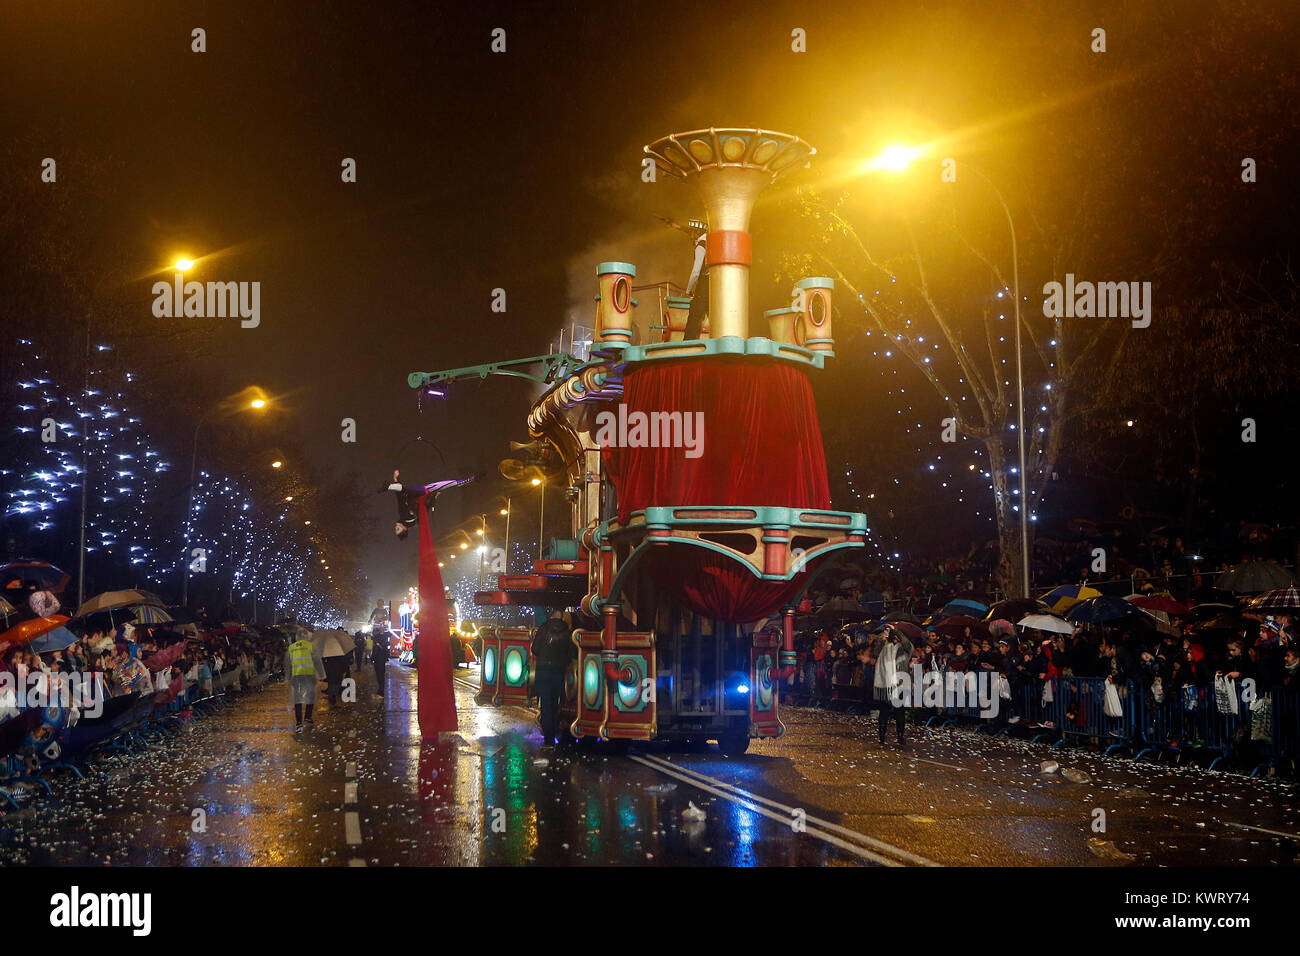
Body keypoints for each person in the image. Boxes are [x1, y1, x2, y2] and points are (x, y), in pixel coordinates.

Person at [531, 609, 572, 748]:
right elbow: (570, 653)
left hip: (543, 672)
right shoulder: (567, 632)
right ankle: (554, 733)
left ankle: (548, 739)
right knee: (554, 704)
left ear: (551, 616)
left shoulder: (544, 629)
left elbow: (535, 649)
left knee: (546, 705)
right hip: (558, 672)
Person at [872, 626, 914, 748]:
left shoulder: (905, 649)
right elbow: (876, 652)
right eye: (893, 636)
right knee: (884, 712)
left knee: (899, 712)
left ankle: (900, 736)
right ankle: (881, 738)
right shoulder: (886, 648)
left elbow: (907, 644)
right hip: (885, 684)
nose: (895, 638)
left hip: (900, 684)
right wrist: (882, 638)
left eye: (897, 636)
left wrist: (896, 630)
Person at [285, 631, 322, 731]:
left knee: (298, 698)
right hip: (309, 675)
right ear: (306, 637)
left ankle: (298, 722)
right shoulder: (311, 646)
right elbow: (317, 661)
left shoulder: (291, 647)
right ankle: (308, 716)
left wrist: (287, 677)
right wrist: (321, 674)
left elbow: (288, 664)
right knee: (310, 696)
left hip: (296, 676)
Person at [371, 625, 389, 698]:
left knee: (379, 676)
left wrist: (372, 658)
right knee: (381, 676)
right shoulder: (383, 641)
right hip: (382, 660)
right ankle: (381, 690)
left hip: (378, 661)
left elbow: (375, 652)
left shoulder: (377, 641)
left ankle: (381, 691)